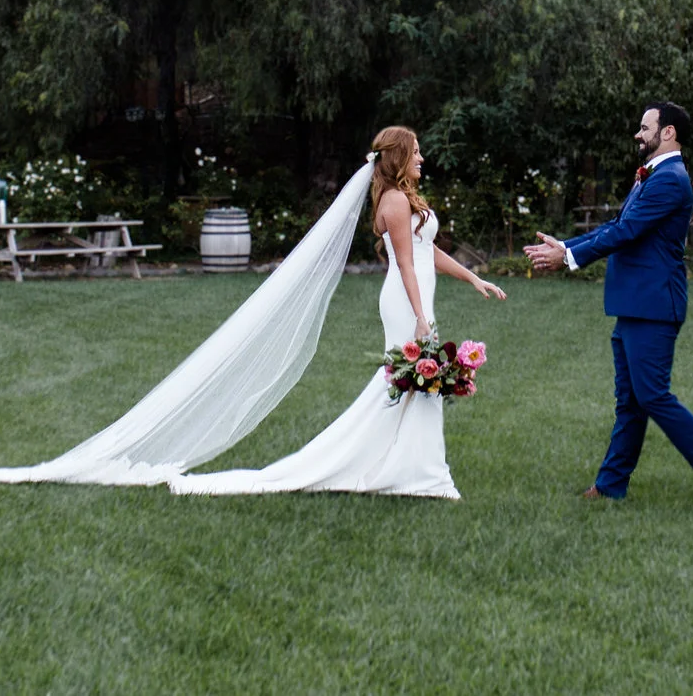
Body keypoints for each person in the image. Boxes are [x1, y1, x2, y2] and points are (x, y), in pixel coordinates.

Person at [162, 125, 505, 497]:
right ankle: (410, 471)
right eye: (416, 152)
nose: (422, 158)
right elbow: (406, 263)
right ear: (399, 157)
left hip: (416, 298)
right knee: (408, 378)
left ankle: (415, 468)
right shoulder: (394, 200)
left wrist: (472, 278)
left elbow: (427, 250)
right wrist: (420, 317)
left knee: (417, 381)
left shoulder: (405, 198)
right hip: (406, 301)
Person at [527, 101, 693, 507]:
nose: (637, 134)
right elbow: (618, 226)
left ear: (668, 133)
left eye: (645, 127)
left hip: (654, 304)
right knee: (630, 400)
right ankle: (611, 485)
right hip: (635, 303)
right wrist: (567, 246)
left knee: (652, 396)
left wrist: (569, 260)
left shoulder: (670, 179)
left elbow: (628, 231)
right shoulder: (652, 176)